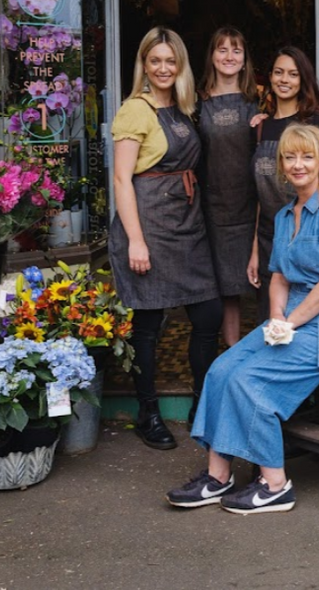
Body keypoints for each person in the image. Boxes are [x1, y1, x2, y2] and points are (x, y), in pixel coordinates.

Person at [167, 123, 319, 514]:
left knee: (249, 380)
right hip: (291, 318)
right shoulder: (284, 214)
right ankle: (217, 477)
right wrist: (276, 317)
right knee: (222, 369)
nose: (298, 164)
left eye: (307, 156)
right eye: (289, 157)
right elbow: (278, 276)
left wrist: (289, 324)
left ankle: (275, 484)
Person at [108, 27, 223, 450]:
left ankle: (200, 404)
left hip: (187, 223)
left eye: (169, 61)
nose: (162, 68)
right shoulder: (135, 110)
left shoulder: (180, 107)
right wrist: (136, 241)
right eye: (154, 61)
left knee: (207, 315)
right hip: (150, 223)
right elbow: (122, 180)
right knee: (149, 324)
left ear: (180, 66)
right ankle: (148, 412)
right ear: (143, 64)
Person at [248, 46, 319, 324]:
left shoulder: (318, 122)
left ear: (303, 80)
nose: (284, 80)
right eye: (278, 72)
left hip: (308, 239)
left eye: (292, 74)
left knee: (304, 320)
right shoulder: (260, 127)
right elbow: (259, 198)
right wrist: (254, 252)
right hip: (268, 240)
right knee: (269, 320)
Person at [197, 26, 260, 346]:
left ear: (245, 58)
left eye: (236, 50)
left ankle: (268, 360)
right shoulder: (196, 103)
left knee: (266, 285)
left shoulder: (259, 102)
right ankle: (233, 356)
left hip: (253, 207)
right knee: (227, 292)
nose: (229, 56)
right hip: (213, 210)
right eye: (222, 49)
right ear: (211, 56)